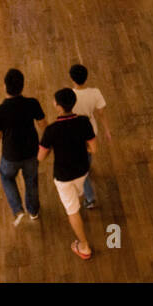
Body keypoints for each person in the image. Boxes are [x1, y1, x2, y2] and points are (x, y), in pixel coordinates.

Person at [37, 88, 96, 262]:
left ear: (57, 106)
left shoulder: (52, 130)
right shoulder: (84, 122)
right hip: (82, 170)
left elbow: (41, 156)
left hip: (64, 176)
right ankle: (79, 202)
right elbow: (94, 148)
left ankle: (84, 246)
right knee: (77, 195)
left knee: (72, 211)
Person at [0, 68, 45, 225]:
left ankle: (17, 209)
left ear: (5, 86)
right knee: (31, 181)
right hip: (32, 153)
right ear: (23, 86)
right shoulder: (32, 103)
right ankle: (33, 211)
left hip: (10, 155)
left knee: (6, 177)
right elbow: (42, 125)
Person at [68, 65, 111, 210]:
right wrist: (107, 130)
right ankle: (87, 165)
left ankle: (90, 197)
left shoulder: (69, 95)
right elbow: (101, 113)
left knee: (82, 167)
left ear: (72, 78)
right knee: (87, 156)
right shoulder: (95, 92)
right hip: (91, 130)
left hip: (75, 133)